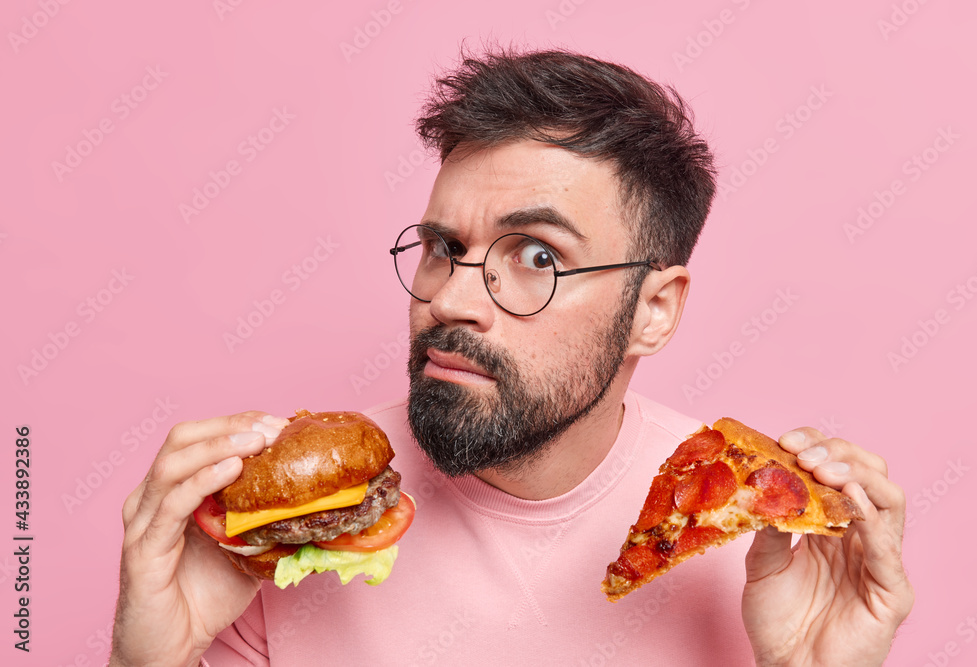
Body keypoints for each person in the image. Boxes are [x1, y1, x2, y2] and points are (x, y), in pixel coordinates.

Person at [110, 47, 913, 666]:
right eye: (443, 246)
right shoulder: (275, 532)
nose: (451, 299)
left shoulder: (760, 544)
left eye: (536, 256)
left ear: (653, 309)